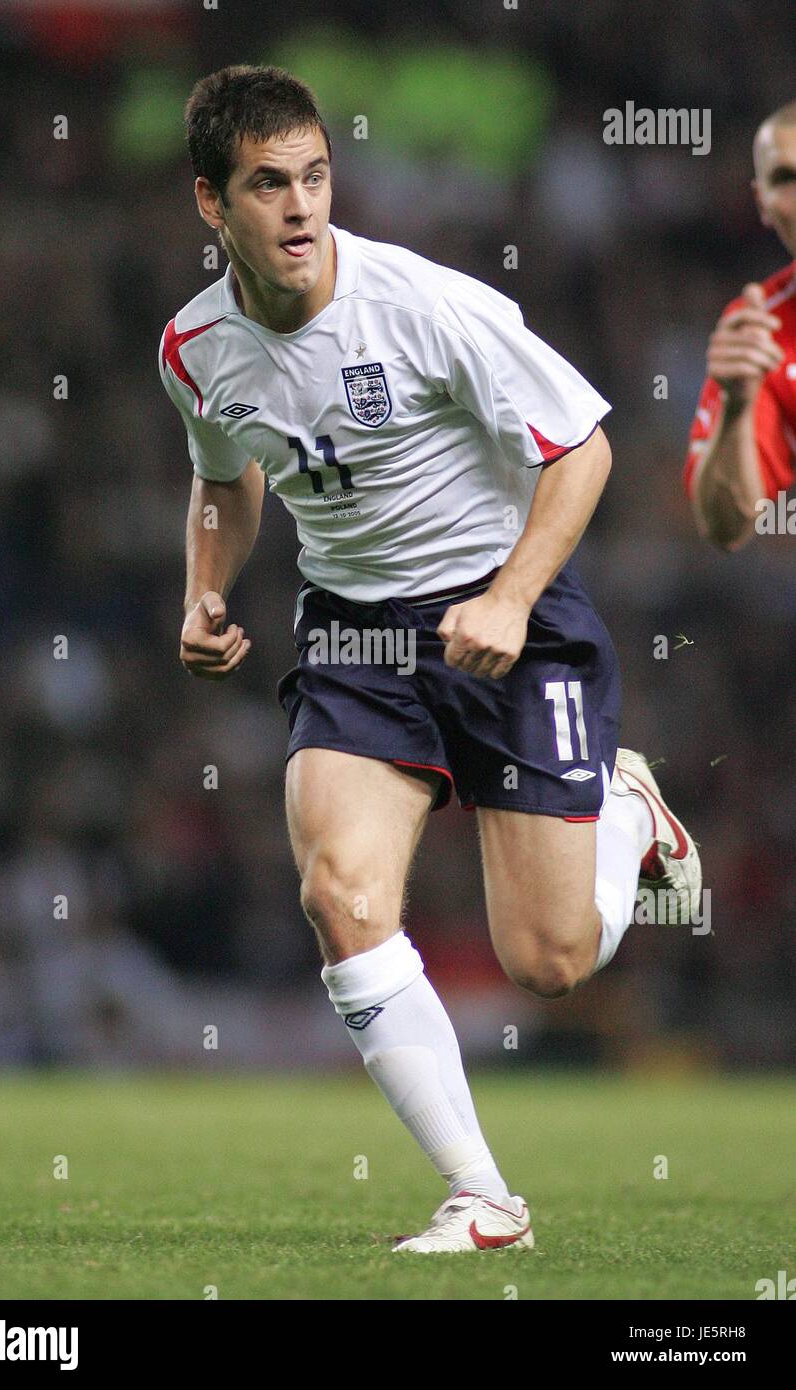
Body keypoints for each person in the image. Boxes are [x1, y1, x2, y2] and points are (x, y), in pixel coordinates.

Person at [159, 65, 700, 1253]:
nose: (299, 207)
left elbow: (581, 448)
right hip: (353, 639)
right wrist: (207, 585)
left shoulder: (422, 304)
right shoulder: (195, 349)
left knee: (549, 962)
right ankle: (480, 1195)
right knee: (338, 895)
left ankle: (624, 808)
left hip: (508, 624)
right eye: (265, 186)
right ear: (212, 205)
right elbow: (224, 474)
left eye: (313, 176)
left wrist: (508, 596)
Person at [685, 101, 796, 549]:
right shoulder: (759, 330)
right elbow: (725, 528)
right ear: (762, 204)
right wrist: (737, 407)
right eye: (786, 179)